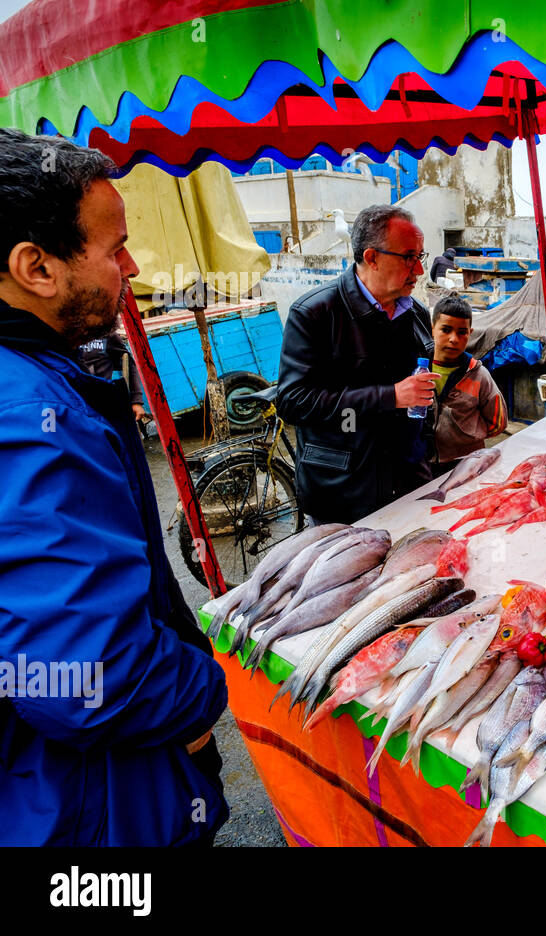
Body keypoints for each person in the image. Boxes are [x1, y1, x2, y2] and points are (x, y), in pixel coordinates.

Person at [0, 128, 229, 845]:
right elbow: (88, 677)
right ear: (36, 267)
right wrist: (202, 696)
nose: (131, 265)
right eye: (112, 246)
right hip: (82, 813)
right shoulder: (35, 416)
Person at [277, 204, 441, 524]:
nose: (419, 270)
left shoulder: (417, 315)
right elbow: (293, 402)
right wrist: (390, 396)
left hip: (409, 484)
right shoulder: (314, 314)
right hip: (342, 493)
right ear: (372, 257)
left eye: (420, 257)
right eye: (408, 257)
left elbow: (422, 401)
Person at [424, 294, 509, 477]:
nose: (454, 339)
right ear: (432, 329)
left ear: (470, 333)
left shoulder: (479, 375)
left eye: (461, 332)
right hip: (423, 463)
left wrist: (470, 435)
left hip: (467, 462)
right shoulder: (417, 369)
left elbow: (498, 423)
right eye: (446, 330)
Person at [78, 326, 147, 423]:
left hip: (103, 403)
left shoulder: (106, 334)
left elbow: (128, 363)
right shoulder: (63, 334)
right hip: (74, 403)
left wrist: (136, 401)